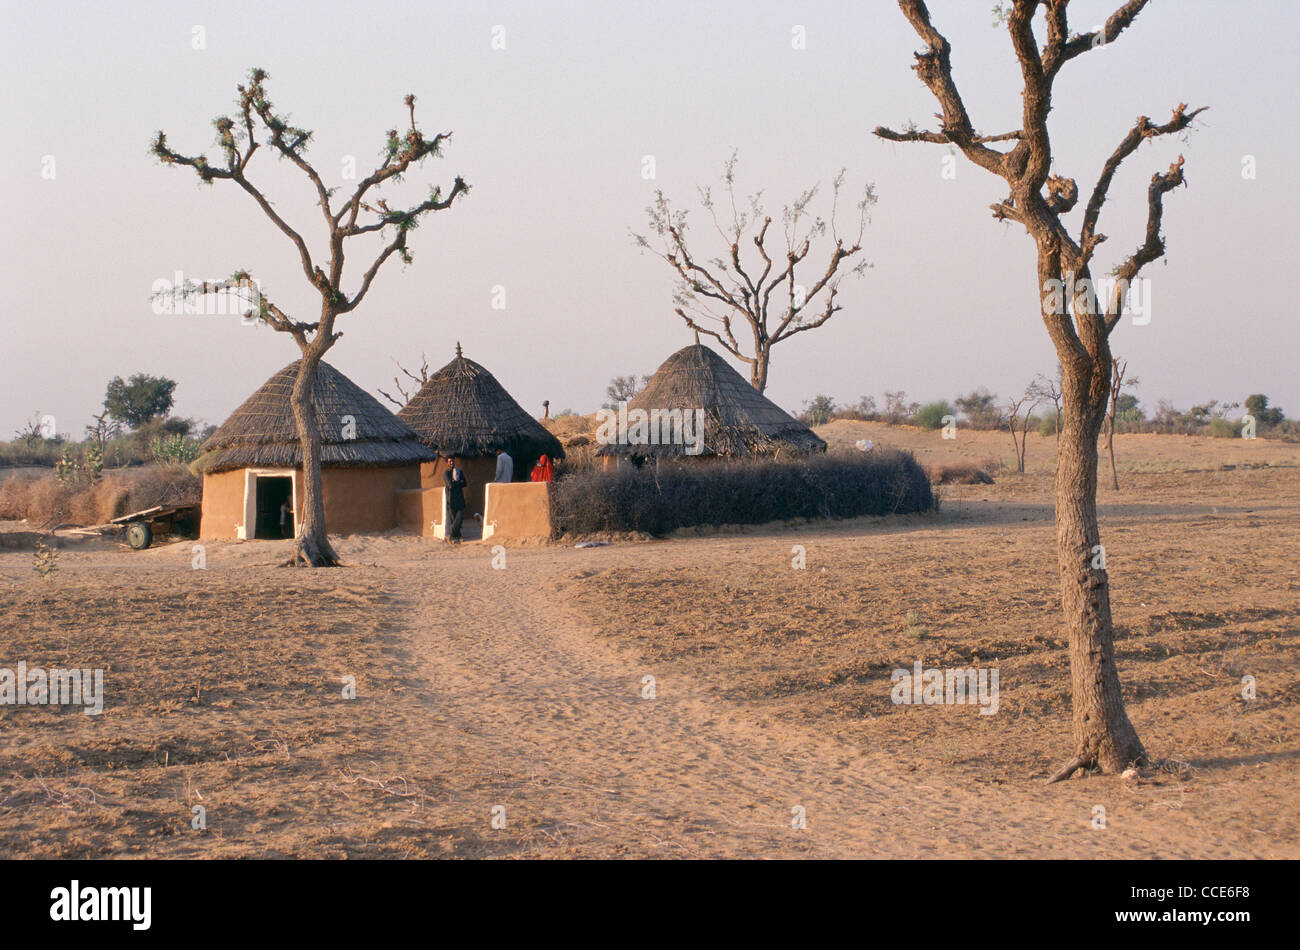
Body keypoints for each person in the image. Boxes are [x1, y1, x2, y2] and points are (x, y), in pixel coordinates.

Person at [443, 455, 468, 542]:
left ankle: (453, 536)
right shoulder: (446, 473)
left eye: (453, 461)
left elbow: (465, 483)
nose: (451, 463)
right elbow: (450, 485)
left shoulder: (459, 472)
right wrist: (458, 482)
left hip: (460, 499)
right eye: (449, 461)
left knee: (459, 518)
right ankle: (458, 536)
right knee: (454, 520)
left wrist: (455, 482)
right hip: (451, 500)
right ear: (447, 463)